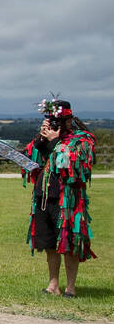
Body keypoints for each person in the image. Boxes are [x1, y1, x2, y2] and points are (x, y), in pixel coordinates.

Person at [26, 97, 96, 297]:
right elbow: (32, 159)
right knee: (49, 244)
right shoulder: (46, 138)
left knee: (69, 243)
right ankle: (53, 285)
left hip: (67, 201)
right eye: (51, 121)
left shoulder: (81, 140)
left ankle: (71, 288)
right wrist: (42, 139)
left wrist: (55, 141)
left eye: (57, 121)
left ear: (69, 120)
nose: (54, 125)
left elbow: (70, 166)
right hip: (43, 197)